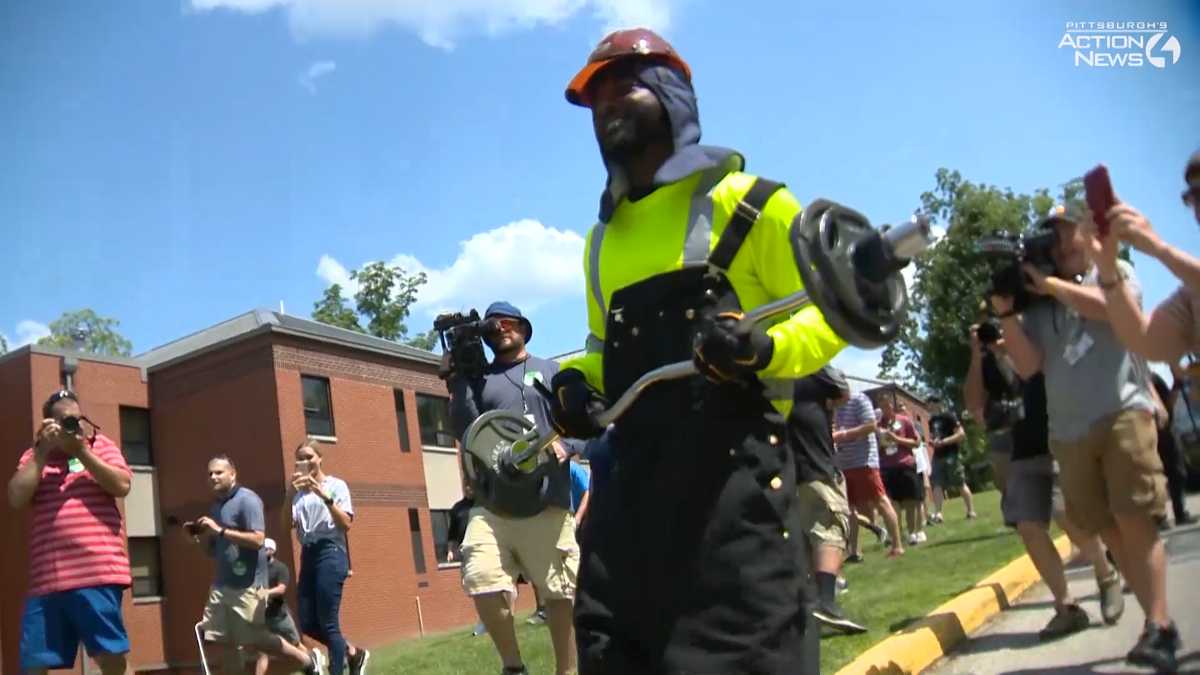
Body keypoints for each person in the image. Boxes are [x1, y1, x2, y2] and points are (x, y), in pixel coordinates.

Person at [549, 27, 849, 673]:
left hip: (736, 500)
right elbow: (604, 353)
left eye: (624, 85)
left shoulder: (755, 204)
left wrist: (763, 347)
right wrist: (573, 382)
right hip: (629, 506)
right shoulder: (601, 243)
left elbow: (829, 316)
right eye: (596, 97)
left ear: (671, 94)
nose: (606, 105)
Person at [994, 202, 1179, 671]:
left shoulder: (1111, 271)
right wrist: (1008, 314)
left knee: (1135, 520)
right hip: (1069, 432)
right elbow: (1029, 366)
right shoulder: (1039, 300)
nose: (1057, 242)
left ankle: (1158, 624)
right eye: (1049, 234)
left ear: (1085, 231)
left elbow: (1114, 311)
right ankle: (1156, 623)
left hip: (1122, 412)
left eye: (1064, 230)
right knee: (1110, 531)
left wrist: (1052, 286)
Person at [964, 321, 1124, 640]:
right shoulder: (988, 361)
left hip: (1058, 440)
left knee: (1066, 514)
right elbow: (973, 404)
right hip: (1023, 450)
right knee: (1028, 526)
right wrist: (976, 355)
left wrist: (1012, 344)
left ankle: (1106, 574)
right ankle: (1066, 607)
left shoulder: (1037, 337)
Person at [444, 301, 580, 675]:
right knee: (480, 576)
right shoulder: (479, 380)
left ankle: (566, 670)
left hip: (546, 499)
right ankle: (513, 667)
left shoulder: (551, 371)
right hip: (493, 504)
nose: (500, 329)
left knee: (559, 592)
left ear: (523, 327)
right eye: (492, 326)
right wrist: (457, 379)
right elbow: (465, 430)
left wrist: (568, 446)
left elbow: (583, 420)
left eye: (507, 322)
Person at [7, 390, 133, 675]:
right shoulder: (34, 456)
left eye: (76, 419)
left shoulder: (100, 445)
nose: (72, 425)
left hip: (97, 572)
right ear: (48, 424)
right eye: (64, 420)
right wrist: (42, 452)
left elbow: (122, 485)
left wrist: (81, 452)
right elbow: (15, 498)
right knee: (33, 663)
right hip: (47, 579)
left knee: (111, 657)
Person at [191, 456, 320, 675]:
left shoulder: (248, 500)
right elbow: (214, 551)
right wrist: (198, 538)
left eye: (219, 472)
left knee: (255, 639)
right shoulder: (216, 507)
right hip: (221, 586)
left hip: (249, 586)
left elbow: (258, 539)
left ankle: (306, 661)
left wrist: (220, 530)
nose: (213, 477)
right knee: (224, 640)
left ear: (233, 474)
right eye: (210, 473)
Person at [1092, 151, 1200, 363]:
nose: (1197, 212)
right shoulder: (1191, 291)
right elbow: (1147, 341)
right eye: (1193, 198)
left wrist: (1158, 247)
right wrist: (1108, 270)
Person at [791, 367, 867, 634]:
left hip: (786, 472)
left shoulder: (764, 369)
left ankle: (807, 605)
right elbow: (843, 391)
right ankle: (826, 601)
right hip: (817, 466)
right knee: (830, 529)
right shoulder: (809, 365)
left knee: (802, 538)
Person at [288, 439, 369, 675]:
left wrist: (323, 494)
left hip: (331, 551)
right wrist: (288, 494)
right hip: (308, 554)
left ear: (320, 458)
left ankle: (337, 670)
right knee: (307, 622)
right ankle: (353, 653)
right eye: (300, 458)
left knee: (328, 622)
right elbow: (285, 526)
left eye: (309, 457)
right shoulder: (297, 494)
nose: (305, 462)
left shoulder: (336, 485)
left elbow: (346, 523)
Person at [834, 390, 905, 560]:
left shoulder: (859, 399)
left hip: (864, 461)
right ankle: (854, 552)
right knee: (849, 508)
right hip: (843, 463)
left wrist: (844, 434)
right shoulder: (833, 405)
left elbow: (871, 425)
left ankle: (897, 546)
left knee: (880, 500)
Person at [876, 395, 925, 545]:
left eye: (887, 405)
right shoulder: (877, 426)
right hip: (887, 467)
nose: (885, 409)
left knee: (910, 501)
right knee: (893, 502)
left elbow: (916, 442)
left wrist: (896, 439)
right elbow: (874, 449)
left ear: (892, 405)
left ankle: (912, 533)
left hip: (905, 464)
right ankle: (899, 533)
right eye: (882, 406)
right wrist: (881, 443)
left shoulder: (904, 421)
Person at [254, 538, 306, 675]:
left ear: (272, 550)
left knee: (295, 644)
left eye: (265, 549)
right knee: (262, 652)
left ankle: (312, 665)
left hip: (279, 616)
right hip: (263, 618)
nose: (262, 552)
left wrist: (265, 593)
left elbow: (281, 589)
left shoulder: (280, 568)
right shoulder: (257, 569)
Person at [927, 396, 977, 521]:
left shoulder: (949, 416)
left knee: (960, 483)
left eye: (930, 403)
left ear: (937, 404)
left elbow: (961, 434)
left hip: (951, 454)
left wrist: (944, 441)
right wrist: (933, 442)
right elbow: (933, 436)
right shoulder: (931, 421)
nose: (928, 406)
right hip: (937, 455)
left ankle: (970, 511)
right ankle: (938, 514)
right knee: (937, 484)